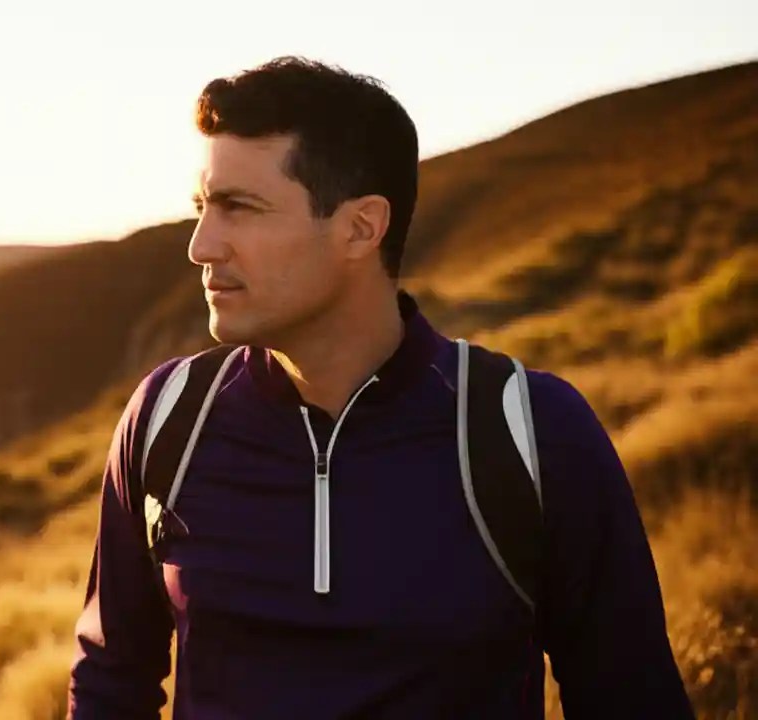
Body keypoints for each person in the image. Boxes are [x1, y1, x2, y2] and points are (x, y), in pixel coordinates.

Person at [67, 56, 693, 718]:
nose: (201, 245)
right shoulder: (168, 419)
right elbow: (111, 680)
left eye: (239, 208)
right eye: (203, 207)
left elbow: (632, 697)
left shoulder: (531, 433)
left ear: (361, 228)